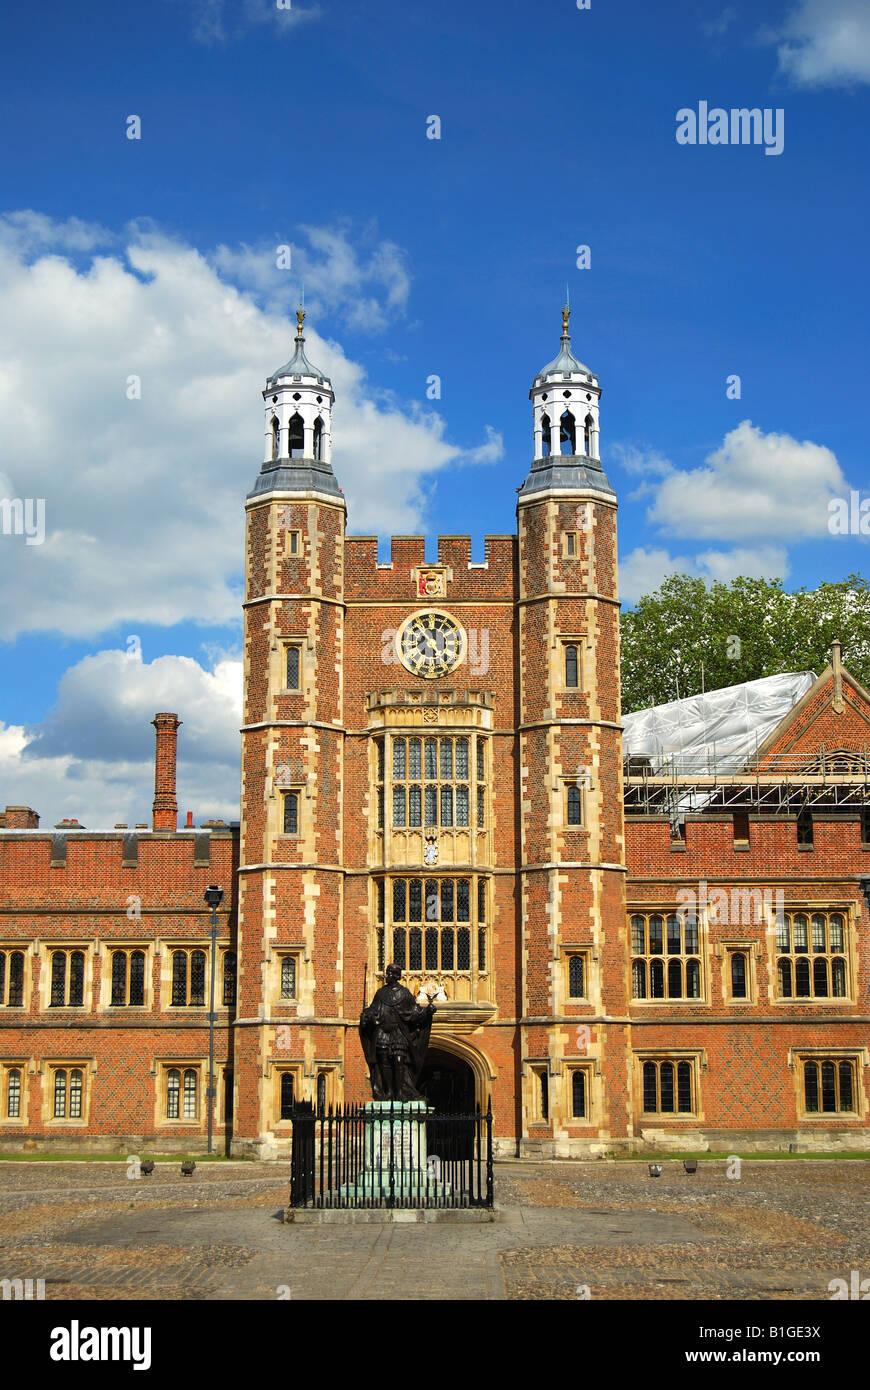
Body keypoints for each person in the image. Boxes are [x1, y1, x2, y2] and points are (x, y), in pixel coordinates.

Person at [359, 964, 436, 1101]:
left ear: (396, 975)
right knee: (383, 1060)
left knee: (399, 1059)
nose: (387, 976)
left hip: (398, 1031)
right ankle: (388, 1091)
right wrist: (367, 1014)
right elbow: (374, 1009)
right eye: (387, 973)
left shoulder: (404, 993)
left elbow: (413, 1013)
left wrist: (427, 1012)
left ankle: (400, 1092)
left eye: (389, 973)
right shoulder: (380, 993)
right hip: (382, 1031)